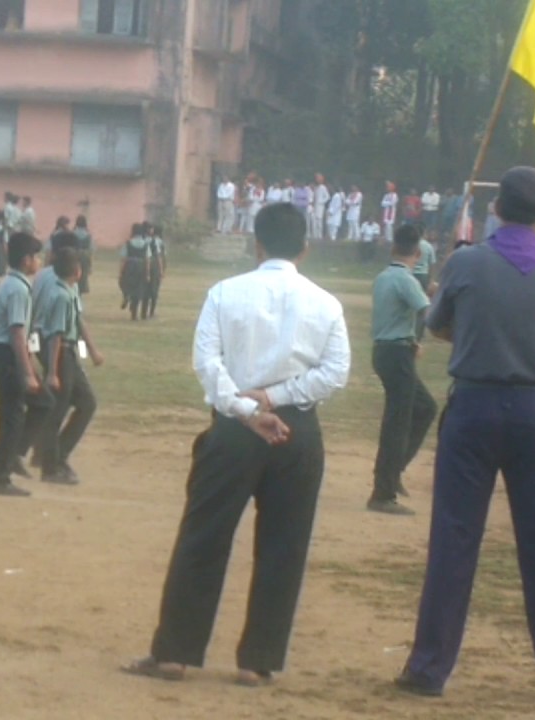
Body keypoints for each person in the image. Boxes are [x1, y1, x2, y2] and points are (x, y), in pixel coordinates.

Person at [123, 202, 350, 687]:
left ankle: (174, 654)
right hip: (297, 431)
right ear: (305, 248)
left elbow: (208, 365)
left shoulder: (225, 293)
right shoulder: (326, 303)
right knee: (284, 546)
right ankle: (258, 660)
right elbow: (335, 373)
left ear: (257, 244)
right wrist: (278, 398)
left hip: (234, 428)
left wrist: (250, 408)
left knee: (203, 537)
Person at [396, 166, 535, 701]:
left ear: (496, 210)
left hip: (475, 405)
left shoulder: (466, 261)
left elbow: (439, 324)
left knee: (454, 540)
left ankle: (429, 669)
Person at [368, 225, 436, 516]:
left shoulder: (384, 277)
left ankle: (393, 473)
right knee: (398, 421)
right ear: (418, 254)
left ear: (393, 248)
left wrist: (411, 339)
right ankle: (383, 491)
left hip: (387, 351)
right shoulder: (406, 281)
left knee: (424, 408)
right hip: (396, 355)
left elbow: (400, 313)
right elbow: (428, 314)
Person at [0, 231, 49, 497]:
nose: (40, 261)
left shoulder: (11, 282)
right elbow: (17, 333)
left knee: (41, 404)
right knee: (11, 417)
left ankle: (13, 456)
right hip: (5, 354)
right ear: (26, 260)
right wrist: (27, 372)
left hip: (3, 353)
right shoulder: (19, 289)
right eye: (36, 256)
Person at [34, 245, 98, 486]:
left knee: (87, 403)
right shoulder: (59, 294)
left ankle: (57, 454)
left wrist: (89, 352)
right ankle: (50, 465)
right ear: (77, 270)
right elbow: (56, 335)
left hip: (68, 351)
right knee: (56, 409)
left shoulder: (70, 291)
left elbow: (76, 326)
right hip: (56, 350)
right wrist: (51, 371)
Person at [412, 230, 436, 341]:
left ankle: (410, 330)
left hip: (412, 275)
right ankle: (419, 333)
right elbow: (432, 264)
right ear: (424, 233)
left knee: (411, 304)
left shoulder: (413, 244)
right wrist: (430, 279)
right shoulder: (429, 246)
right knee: (423, 305)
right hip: (423, 276)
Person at [73, 215, 93, 295]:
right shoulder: (88, 235)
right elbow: (91, 250)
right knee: (83, 276)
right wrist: (90, 265)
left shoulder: (73, 233)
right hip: (85, 256)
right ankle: (80, 291)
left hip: (74, 255)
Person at [311, 174, 329, 240]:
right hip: (315, 206)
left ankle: (320, 235)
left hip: (320, 206)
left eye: (318, 178)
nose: (317, 179)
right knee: (314, 221)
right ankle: (315, 235)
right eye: (316, 178)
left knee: (319, 221)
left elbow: (327, 197)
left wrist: (321, 202)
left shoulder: (323, 187)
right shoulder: (316, 188)